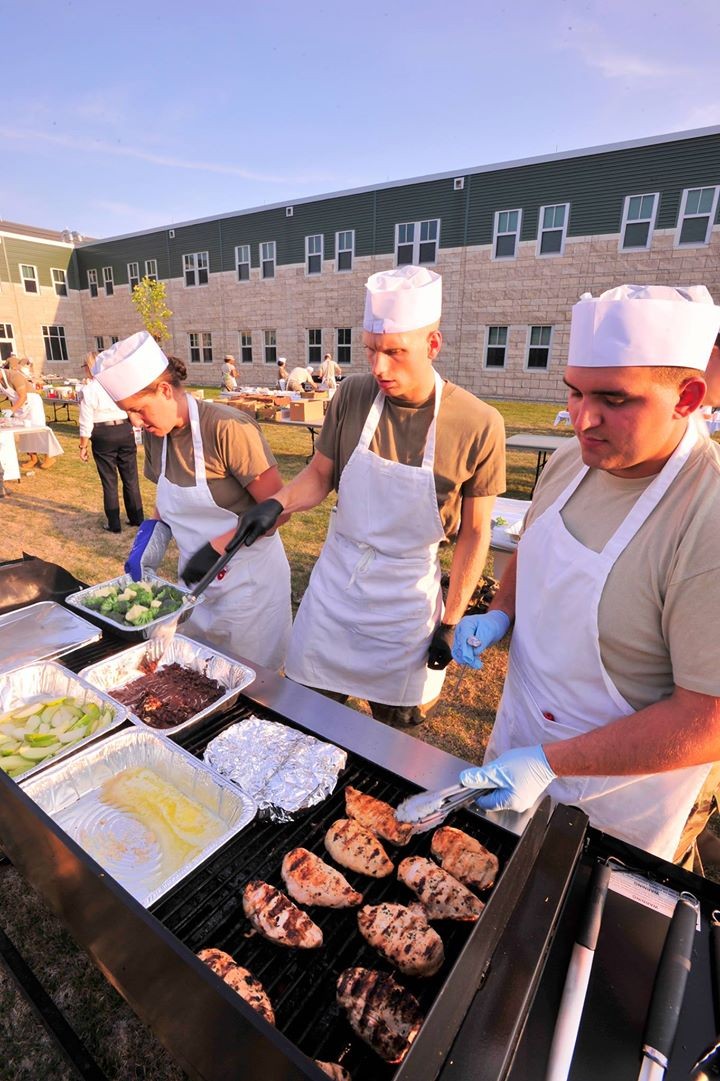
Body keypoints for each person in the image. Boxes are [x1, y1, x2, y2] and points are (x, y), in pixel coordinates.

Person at [453, 284, 720, 866]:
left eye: (614, 399)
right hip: (521, 733)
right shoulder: (576, 459)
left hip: (616, 796)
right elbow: (536, 546)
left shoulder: (707, 517)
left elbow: (708, 719)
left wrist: (552, 762)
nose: (583, 418)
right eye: (573, 392)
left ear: (688, 396)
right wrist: (501, 609)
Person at [199, 265, 506, 726]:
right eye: (371, 350)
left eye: (395, 352)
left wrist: (451, 621)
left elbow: (477, 532)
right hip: (335, 595)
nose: (379, 367)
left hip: (405, 607)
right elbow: (320, 475)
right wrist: (276, 505)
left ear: (433, 345)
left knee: (395, 740)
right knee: (302, 718)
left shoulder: (479, 423)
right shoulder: (352, 395)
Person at [93, 332, 292, 670]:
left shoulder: (228, 430)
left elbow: (280, 509)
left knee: (249, 685)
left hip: (249, 590)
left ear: (165, 390)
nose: (135, 423)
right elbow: (168, 501)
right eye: (128, 414)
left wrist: (219, 546)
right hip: (197, 588)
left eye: (139, 410)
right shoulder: (158, 436)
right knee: (200, 677)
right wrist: (149, 542)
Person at [78, 352, 144, 533]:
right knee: (130, 477)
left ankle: (114, 522)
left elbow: (85, 420)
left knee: (109, 480)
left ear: (89, 368)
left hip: (103, 432)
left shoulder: (89, 390)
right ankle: (137, 518)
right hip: (124, 429)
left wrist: (83, 445)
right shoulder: (117, 386)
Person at [0, 356, 61, 471]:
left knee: (38, 429)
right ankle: (33, 458)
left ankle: (49, 457)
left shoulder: (14, 376)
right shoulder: (1, 380)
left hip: (32, 402)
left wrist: (12, 410)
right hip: (19, 405)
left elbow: (23, 396)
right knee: (25, 433)